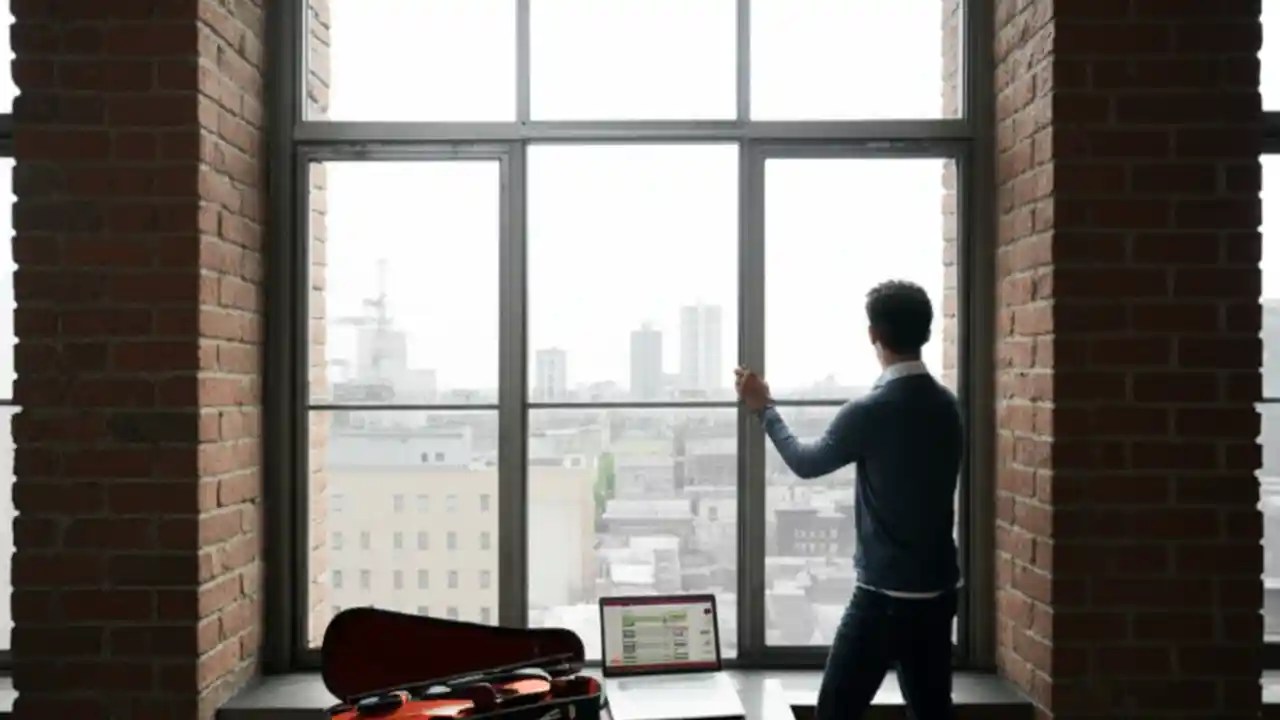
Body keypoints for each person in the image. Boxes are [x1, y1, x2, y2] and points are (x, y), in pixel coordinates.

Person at [734, 280, 963, 720]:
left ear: (873, 335)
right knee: (933, 713)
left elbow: (804, 461)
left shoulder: (870, 411)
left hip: (883, 599)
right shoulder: (948, 407)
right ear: (927, 333)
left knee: (835, 712)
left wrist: (764, 408)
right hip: (937, 594)